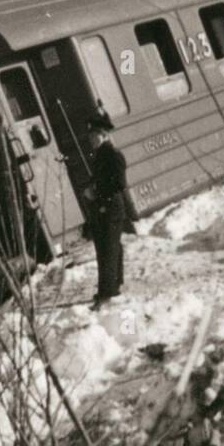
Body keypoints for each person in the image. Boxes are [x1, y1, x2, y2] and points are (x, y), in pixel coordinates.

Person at [84, 108, 137, 308]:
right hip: (104, 208)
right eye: (90, 136)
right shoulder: (100, 155)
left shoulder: (113, 155)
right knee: (111, 247)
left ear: (104, 135)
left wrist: (95, 192)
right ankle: (115, 284)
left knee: (107, 249)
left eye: (94, 135)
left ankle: (106, 293)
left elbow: (119, 185)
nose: (91, 139)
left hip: (111, 208)